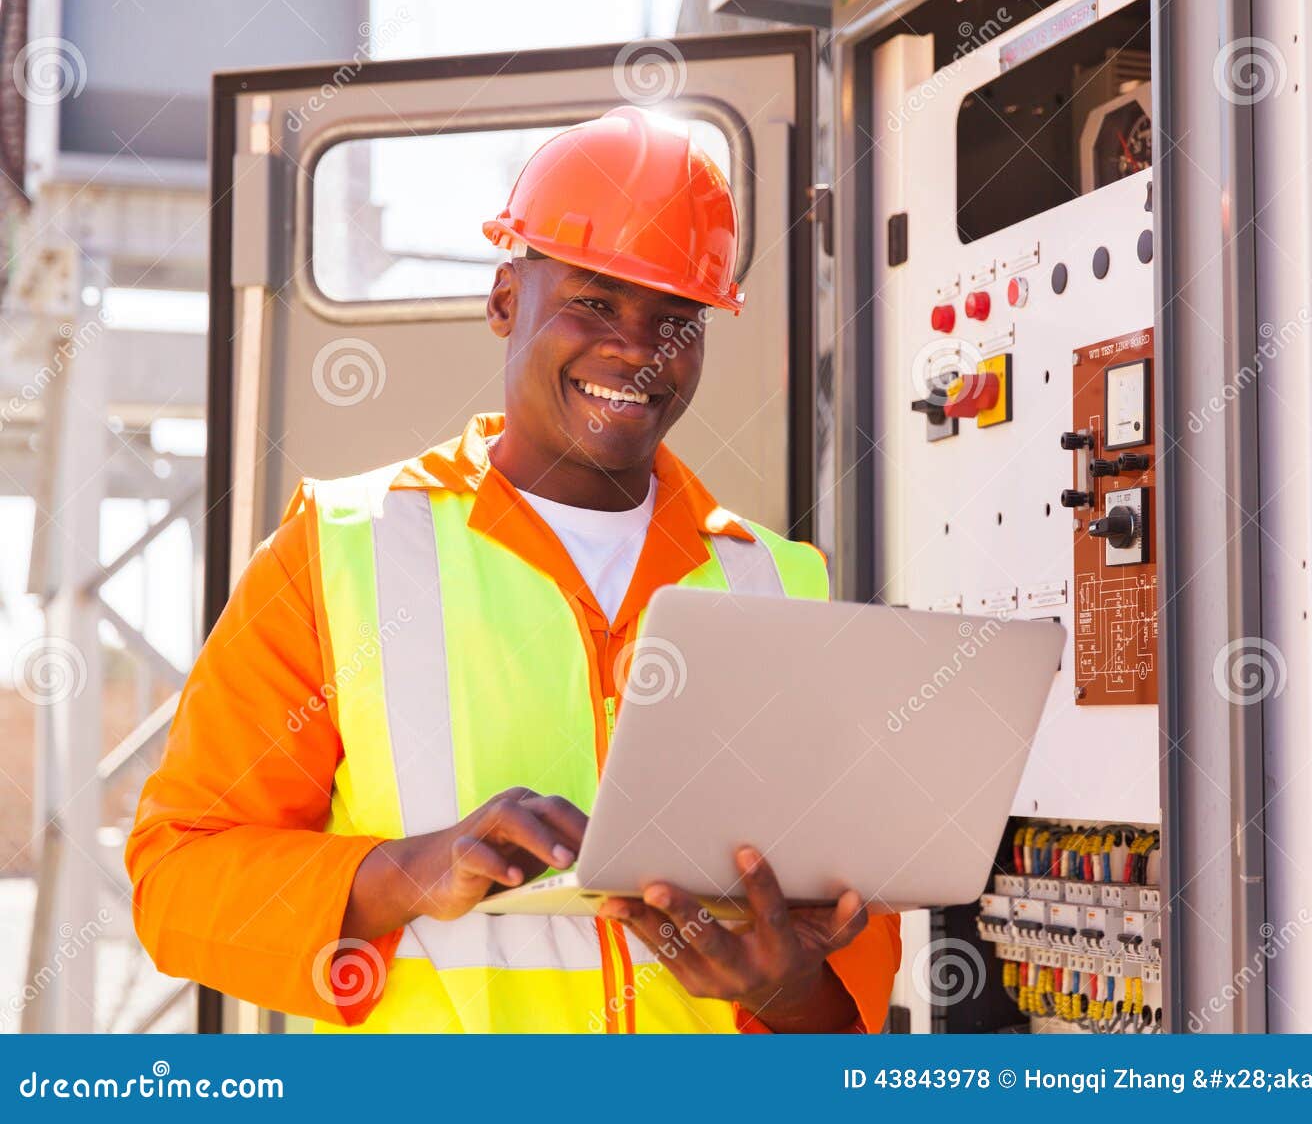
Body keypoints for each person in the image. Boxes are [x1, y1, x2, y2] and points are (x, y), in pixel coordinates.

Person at [126, 106, 901, 1033]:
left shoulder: (779, 582)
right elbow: (179, 878)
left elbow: (848, 969)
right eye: (595, 301)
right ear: (505, 301)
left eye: (675, 319)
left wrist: (786, 991)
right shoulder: (339, 551)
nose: (635, 349)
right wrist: (407, 871)